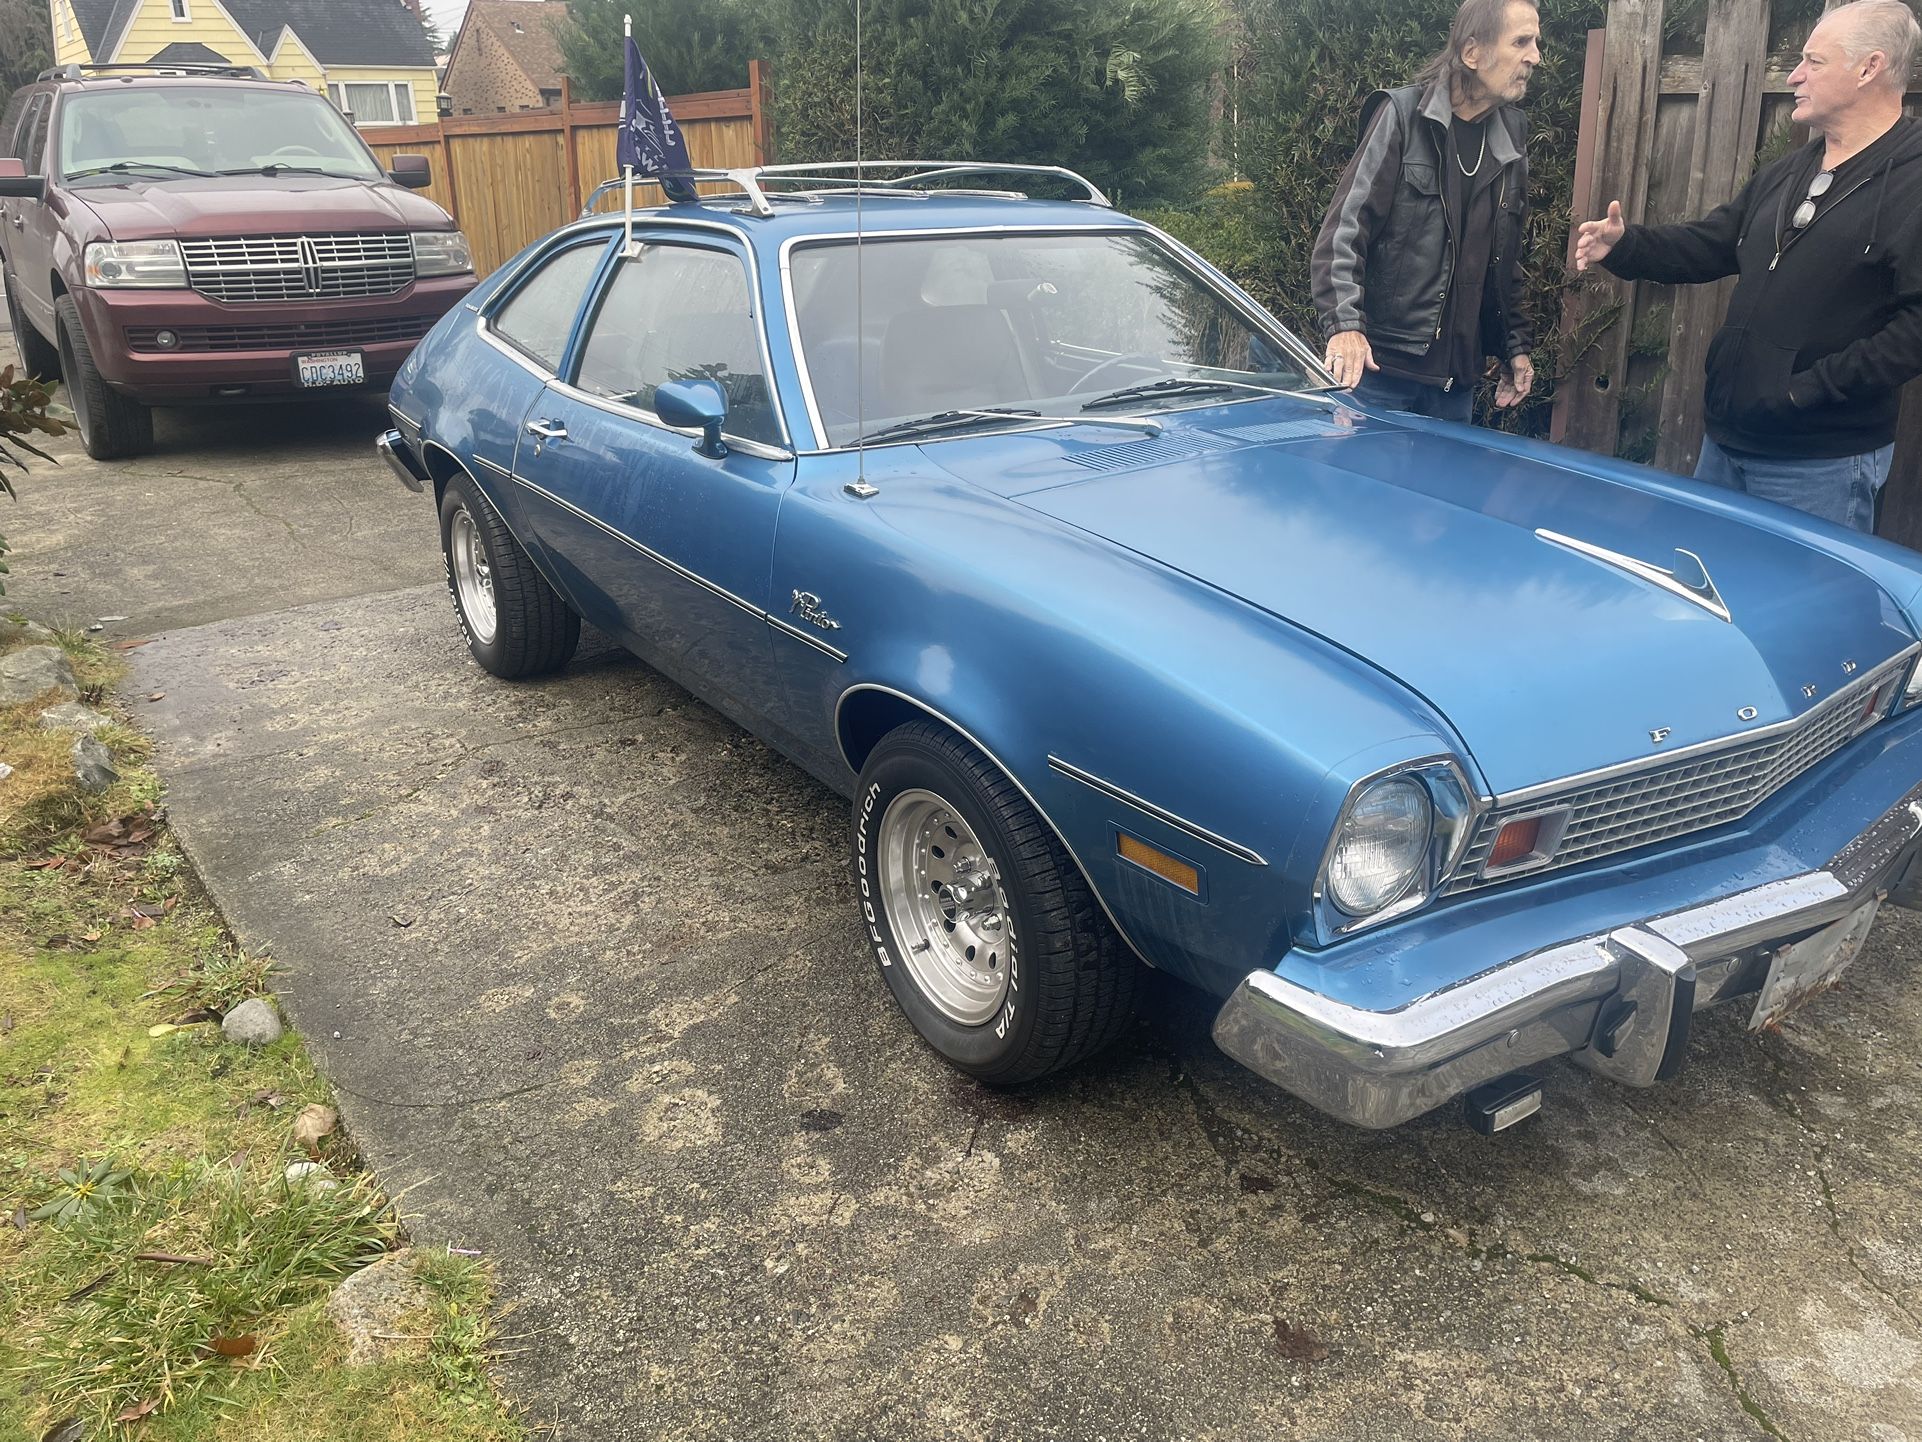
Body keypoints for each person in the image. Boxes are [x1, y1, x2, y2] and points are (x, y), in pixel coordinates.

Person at [1575, 0, 1922, 533]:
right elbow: (1715, 243)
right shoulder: (1791, 169)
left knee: (1802, 612)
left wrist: (1805, 391)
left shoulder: (1914, 180)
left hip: (1820, 464)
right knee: (1705, 592)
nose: (1795, 75)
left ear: (1869, 68)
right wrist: (1625, 246)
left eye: (1814, 61)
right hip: (1726, 445)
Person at [1312, 0, 1541, 424]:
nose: (1534, 56)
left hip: (1456, 386)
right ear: (1472, 53)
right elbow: (1343, 234)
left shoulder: (1512, 135)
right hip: (1381, 379)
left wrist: (1514, 347)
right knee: (1365, 492)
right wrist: (1345, 326)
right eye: (1521, 42)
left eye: (1535, 43)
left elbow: (1505, 259)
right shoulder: (1402, 117)